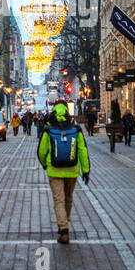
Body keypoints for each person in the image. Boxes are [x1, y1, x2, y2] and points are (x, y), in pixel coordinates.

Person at [36, 101, 90, 244]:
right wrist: (85, 170)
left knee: (58, 199)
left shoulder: (49, 130)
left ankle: (63, 227)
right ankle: (64, 221)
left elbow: (41, 151)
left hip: (54, 170)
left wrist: (44, 164)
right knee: (68, 197)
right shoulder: (76, 129)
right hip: (72, 170)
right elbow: (82, 150)